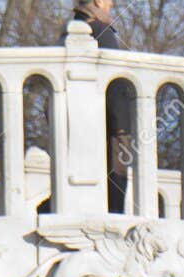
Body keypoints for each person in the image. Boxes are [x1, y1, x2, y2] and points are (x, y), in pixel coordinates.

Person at [70, 1, 132, 212]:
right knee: (116, 176)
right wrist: (120, 125)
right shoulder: (100, 30)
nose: (112, 4)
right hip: (109, 120)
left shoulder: (74, 28)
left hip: (84, 118)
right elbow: (112, 79)